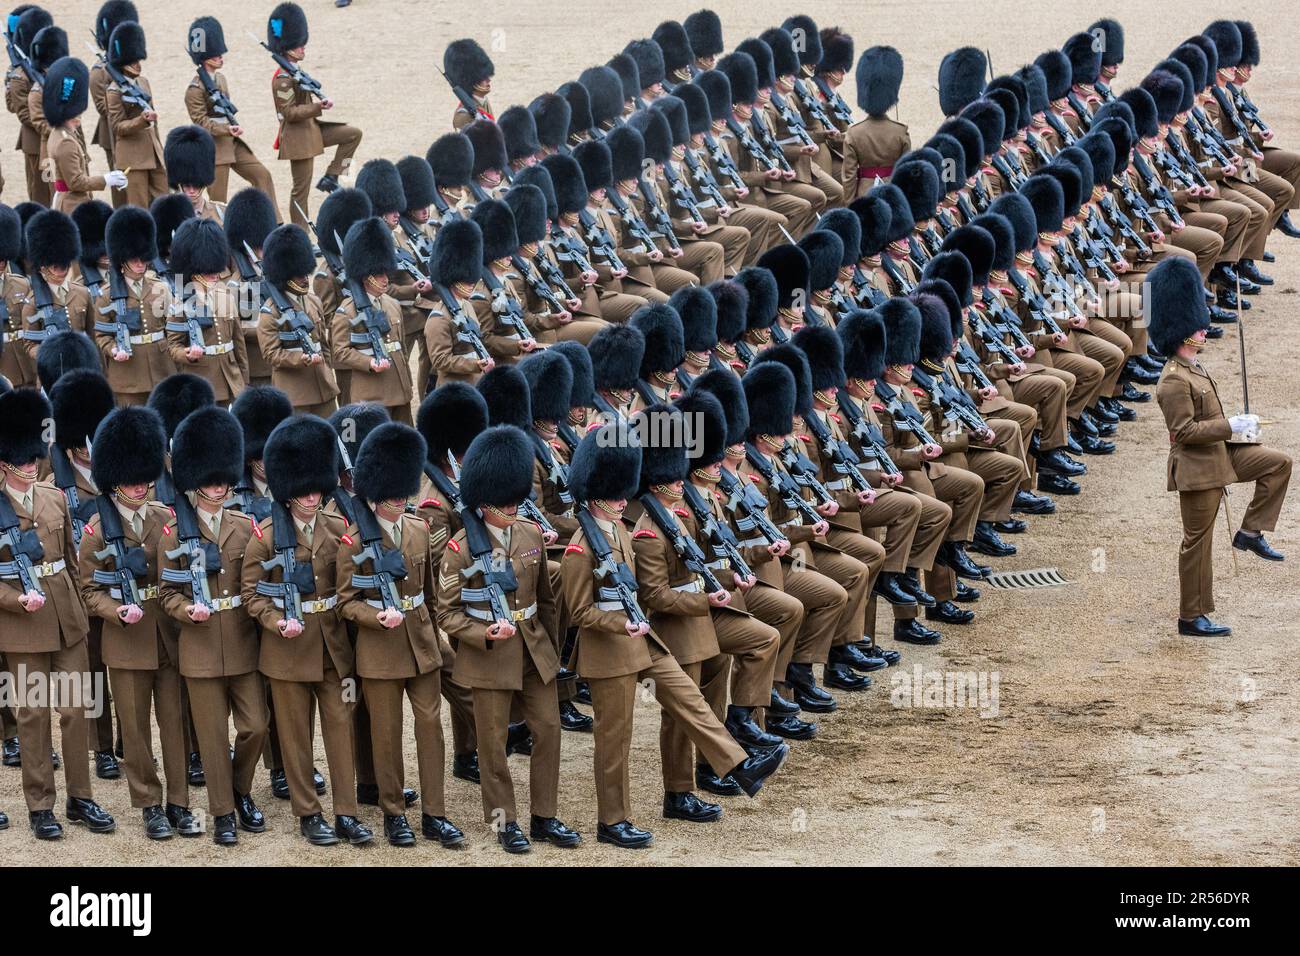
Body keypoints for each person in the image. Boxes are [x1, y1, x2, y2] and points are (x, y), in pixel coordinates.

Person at [561, 419, 788, 848]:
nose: (619, 498)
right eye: (611, 493)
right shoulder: (580, 545)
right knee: (615, 740)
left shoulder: (620, 530)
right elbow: (579, 612)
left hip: (642, 639)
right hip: (609, 649)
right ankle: (613, 820)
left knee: (690, 700)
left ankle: (739, 766)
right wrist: (621, 623)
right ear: (595, 493)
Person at [436, 425, 583, 853]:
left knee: (548, 731)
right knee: (494, 744)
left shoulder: (530, 533)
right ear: (483, 504)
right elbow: (447, 612)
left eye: (516, 501)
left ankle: (544, 817)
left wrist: (551, 650)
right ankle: (505, 821)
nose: (513, 508)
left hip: (533, 649)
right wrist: (483, 632)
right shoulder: (460, 548)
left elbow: (547, 600)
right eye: (504, 504)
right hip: (489, 654)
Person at [244, 415, 373, 847]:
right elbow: (251, 595)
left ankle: (347, 812)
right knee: (296, 738)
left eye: (318, 488)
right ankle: (307, 812)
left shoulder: (339, 529)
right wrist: (274, 620)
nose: (313, 497)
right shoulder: (264, 538)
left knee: (340, 731)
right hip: (287, 649)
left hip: (332, 646)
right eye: (304, 491)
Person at [335, 421, 464, 848]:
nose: (397, 502)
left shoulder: (418, 529)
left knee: (430, 727)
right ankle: (393, 812)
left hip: (420, 642)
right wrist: (376, 618)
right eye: (390, 497)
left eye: (401, 495)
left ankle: (435, 814)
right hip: (379, 648)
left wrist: (437, 635)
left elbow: (427, 593)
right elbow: (345, 602)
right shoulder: (353, 541)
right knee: (387, 734)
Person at [1149, 256, 1290, 636]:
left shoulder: (1194, 367)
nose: (1203, 329)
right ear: (1180, 332)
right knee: (1197, 544)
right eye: (1196, 327)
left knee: (1277, 463)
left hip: (1219, 455)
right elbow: (1184, 433)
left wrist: (1239, 430)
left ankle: (1251, 532)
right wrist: (1230, 426)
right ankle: (1190, 616)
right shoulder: (1173, 380)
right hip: (1197, 468)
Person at [0, 386, 115, 840]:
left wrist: (80, 610)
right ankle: (39, 804)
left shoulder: (53, 498)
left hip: (65, 618)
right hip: (21, 624)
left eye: (34, 458)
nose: (31, 466)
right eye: (22, 460)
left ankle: (80, 797)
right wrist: (13, 601)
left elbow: (69, 559)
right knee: (32, 716)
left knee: (75, 711)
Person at [80, 404, 199, 840]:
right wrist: (116, 611)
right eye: (131, 480)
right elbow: (88, 589)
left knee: (174, 725)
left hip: (166, 635)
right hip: (127, 640)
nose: (140, 486)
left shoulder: (165, 519)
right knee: (135, 729)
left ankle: (180, 802)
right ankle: (148, 802)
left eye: (144, 478)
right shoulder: (96, 530)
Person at [157, 405, 269, 845]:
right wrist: (188, 612)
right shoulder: (173, 534)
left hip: (241, 642)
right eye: (210, 481)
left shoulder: (245, 528)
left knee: (255, 726)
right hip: (200, 646)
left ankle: (240, 790)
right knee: (209, 734)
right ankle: (223, 812)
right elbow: (167, 593)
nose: (219, 488)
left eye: (223, 480)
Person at [267, 2, 362, 226]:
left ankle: (332, 176)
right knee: (301, 190)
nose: (303, 48)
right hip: (298, 139)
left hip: (312, 130)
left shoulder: (296, 71)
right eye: (298, 45)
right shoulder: (282, 78)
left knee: (353, 134)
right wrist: (318, 107)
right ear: (287, 47)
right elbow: (289, 112)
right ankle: (301, 232)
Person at [184, 15, 279, 208]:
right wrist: (227, 129)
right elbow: (201, 122)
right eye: (215, 54)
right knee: (218, 201)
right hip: (214, 148)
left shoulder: (221, 79)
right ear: (204, 58)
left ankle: (272, 223)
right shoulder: (194, 89)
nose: (220, 56)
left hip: (232, 142)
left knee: (262, 176)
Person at [331, 217, 412, 422]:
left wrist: (407, 383)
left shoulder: (392, 304)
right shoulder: (347, 311)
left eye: (386, 273)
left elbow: (400, 346)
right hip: (371, 390)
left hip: (399, 386)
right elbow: (340, 351)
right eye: (379, 274)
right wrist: (369, 362)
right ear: (366, 275)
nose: (386, 279)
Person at [93, 206, 176, 405]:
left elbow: (172, 327)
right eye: (134, 259)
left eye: (143, 258)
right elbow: (102, 334)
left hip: (161, 368)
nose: (140, 264)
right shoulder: (106, 295)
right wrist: (113, 349)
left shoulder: (160, 288)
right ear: (122, 259)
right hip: (128, 374)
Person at [257, 223, 339, 415]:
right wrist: (299, 358)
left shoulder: (313, 301)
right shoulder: (271, 311)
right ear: (285, 275)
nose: (304, 278)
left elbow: (323, 343)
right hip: (294, 392)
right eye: (298, 274)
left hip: (322, 385)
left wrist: (327, 371)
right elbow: (271, 354)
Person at [42, 56, 127, 214]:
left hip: (69, 201)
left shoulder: (59, 133)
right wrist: (107, 180)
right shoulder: (65, 142)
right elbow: (76, 182)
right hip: (72, 205)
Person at [104, 20, 166, 207]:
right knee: (139, 208)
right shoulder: (114, 91)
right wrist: (141, 120)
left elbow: (153, 121)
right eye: (133, 60)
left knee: (166, 204)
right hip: (133, 157)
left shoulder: (143, 82)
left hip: (153, 152)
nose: (138, 64)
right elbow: (117, 127)